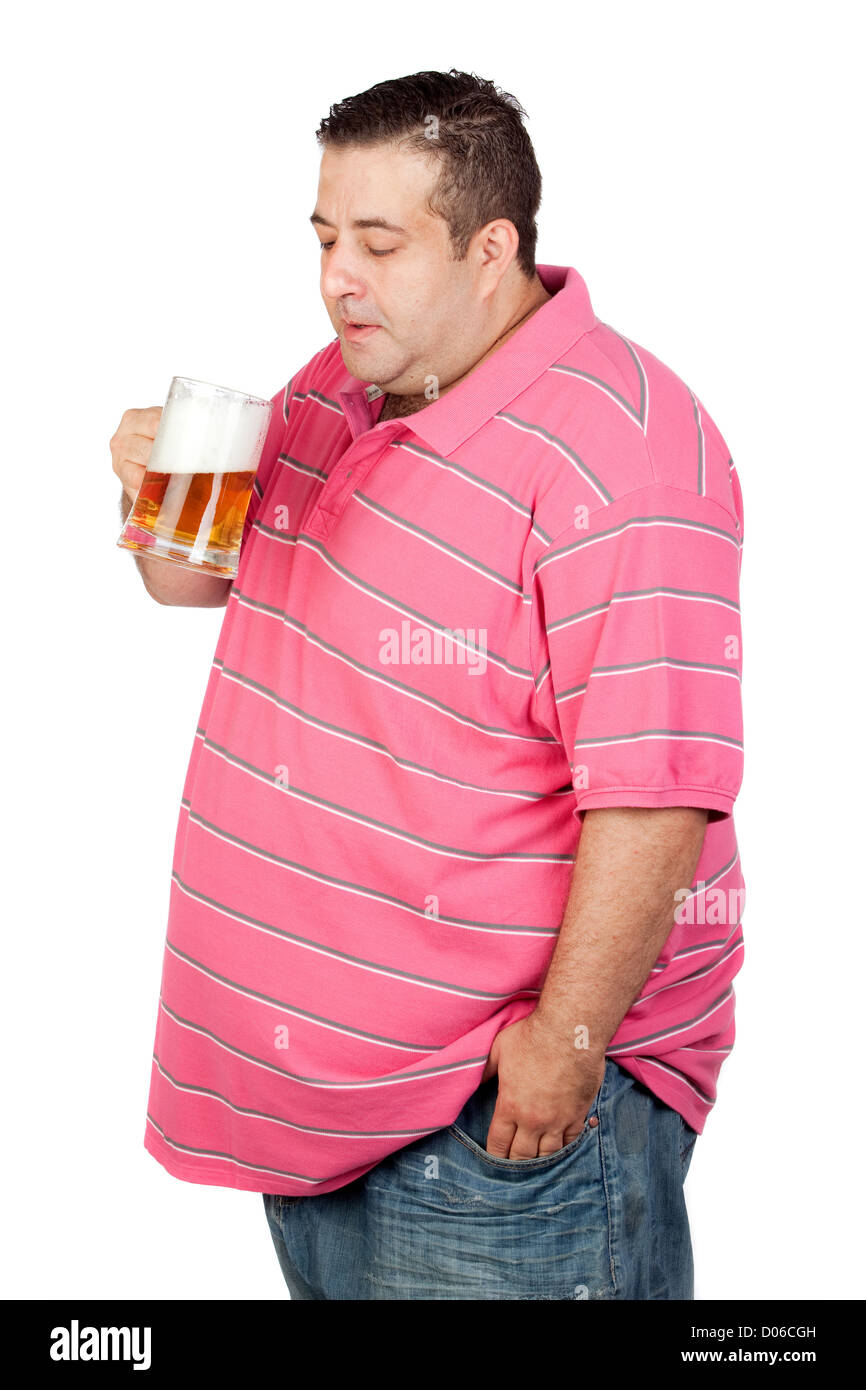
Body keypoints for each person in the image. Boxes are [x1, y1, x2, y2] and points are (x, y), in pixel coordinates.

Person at [111, 69, 745, 1301]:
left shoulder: (623, 448)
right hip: (311, 1114)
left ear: (490, 247)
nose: (336, 275)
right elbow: (192, 587)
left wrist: (558, 1056)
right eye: (324, 235)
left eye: (379, 243)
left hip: (489, 1125)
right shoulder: (340, 382)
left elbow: (656, 795)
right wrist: (145, 495)